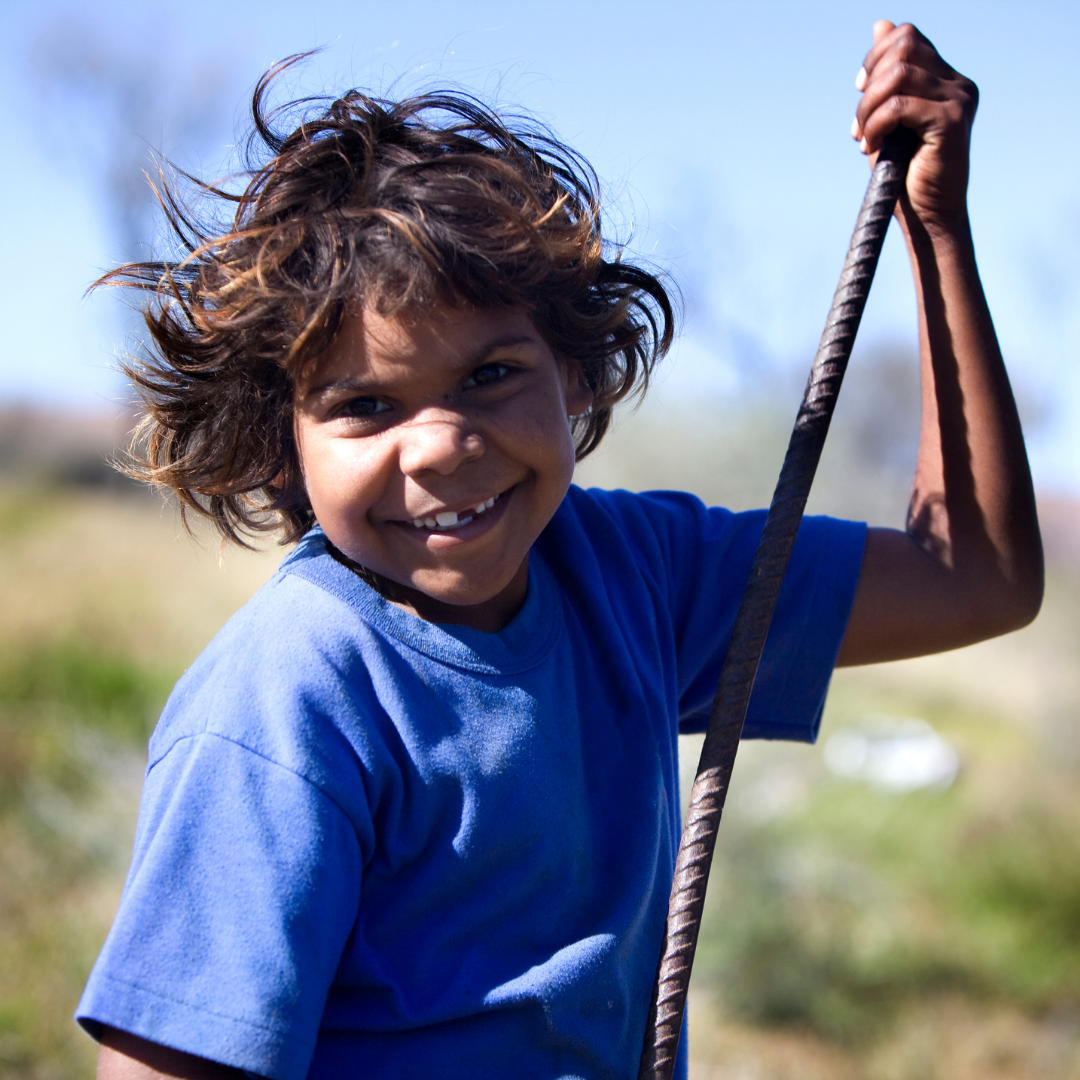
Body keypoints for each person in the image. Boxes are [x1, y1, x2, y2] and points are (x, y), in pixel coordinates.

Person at [77, 20, 1042, 1080]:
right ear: (283, 445)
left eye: (491, 374)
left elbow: (974, 579)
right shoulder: (289, 701)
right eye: (363, 405)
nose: (442, 444)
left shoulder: (631, 572)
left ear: (576, 376)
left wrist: (935, 226)